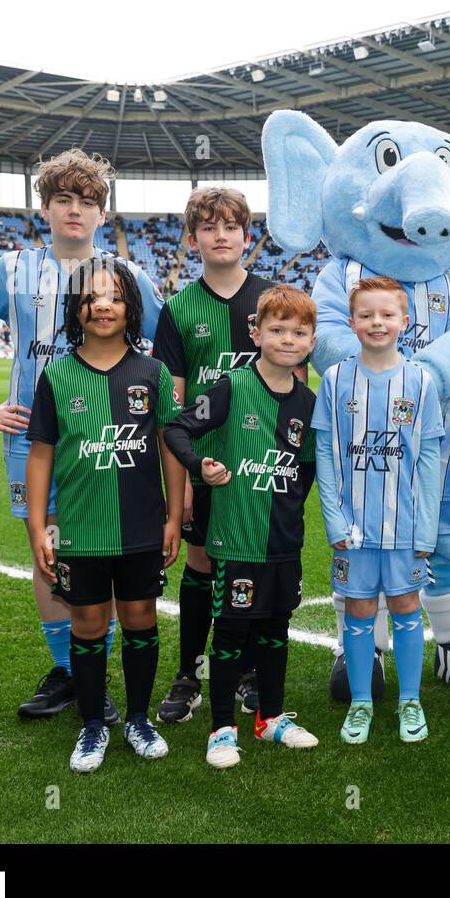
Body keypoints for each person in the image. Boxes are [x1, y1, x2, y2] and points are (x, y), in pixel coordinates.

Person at [0, 148, 163, 722]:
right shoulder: (12, 268)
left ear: (101, 214)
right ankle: (70, 672)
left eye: (87, 202)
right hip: (34, 440)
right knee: (51, 554)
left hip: (112, 441)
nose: (75, 211)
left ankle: (99, 679)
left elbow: (170, 346)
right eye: (63, 199)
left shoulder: (128, 274)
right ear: (44, 207)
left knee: (105, 548)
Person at [25, 258, 184, 773]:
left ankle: (138, 717)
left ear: (130, 307)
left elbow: (168, 446)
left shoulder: (152, 372)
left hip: (140, 527)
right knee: (89, 621)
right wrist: (37, 525)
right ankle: (93, 723)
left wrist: (173, 514)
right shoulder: (58, 373)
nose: (102, 306)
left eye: (114, 296)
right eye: (91, 298)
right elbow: (42, 453)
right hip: (81, 530)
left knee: (139, 618)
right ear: (76, 309)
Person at [163, 286, 322, 767]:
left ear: (312, 340)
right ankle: (222, 729)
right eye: (277, 330)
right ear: (256, 333)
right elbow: (175, 428)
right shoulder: (232, 386)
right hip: (235, 540)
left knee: (276, 630)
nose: (288, 339)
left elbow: (307, 467)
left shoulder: (309, 403)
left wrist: (289, 503)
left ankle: (270, 719)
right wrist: (200, 467)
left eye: (298, 332)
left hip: (283, 542)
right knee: (231, 635)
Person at [152, 186, 280, 724]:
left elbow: (291, 389)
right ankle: (191, 672)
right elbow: (172, 406)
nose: (221, 235)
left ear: (247, 236)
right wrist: (176, 489)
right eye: (209, 227)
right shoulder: (178, 310)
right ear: (193, 238)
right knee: (202, 562)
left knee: (251, 564)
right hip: (202, 465)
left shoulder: (274, 300)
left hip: (258, 463)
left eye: (231, 226)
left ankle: (250, 669)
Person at [312, 277, 444, 744]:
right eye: (366, 315)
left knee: (408, 606)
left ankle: (411, 699)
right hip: (355, 528)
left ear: (404, 322)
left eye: (387, 314)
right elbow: (326, 454)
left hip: (405, 527)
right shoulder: (334, 380)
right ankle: (362, 703)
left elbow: (429, 459)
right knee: (359, 608)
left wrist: (425, 529)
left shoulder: (422, 380)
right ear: (351, 323)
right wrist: (332, 519)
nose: (376, 323)